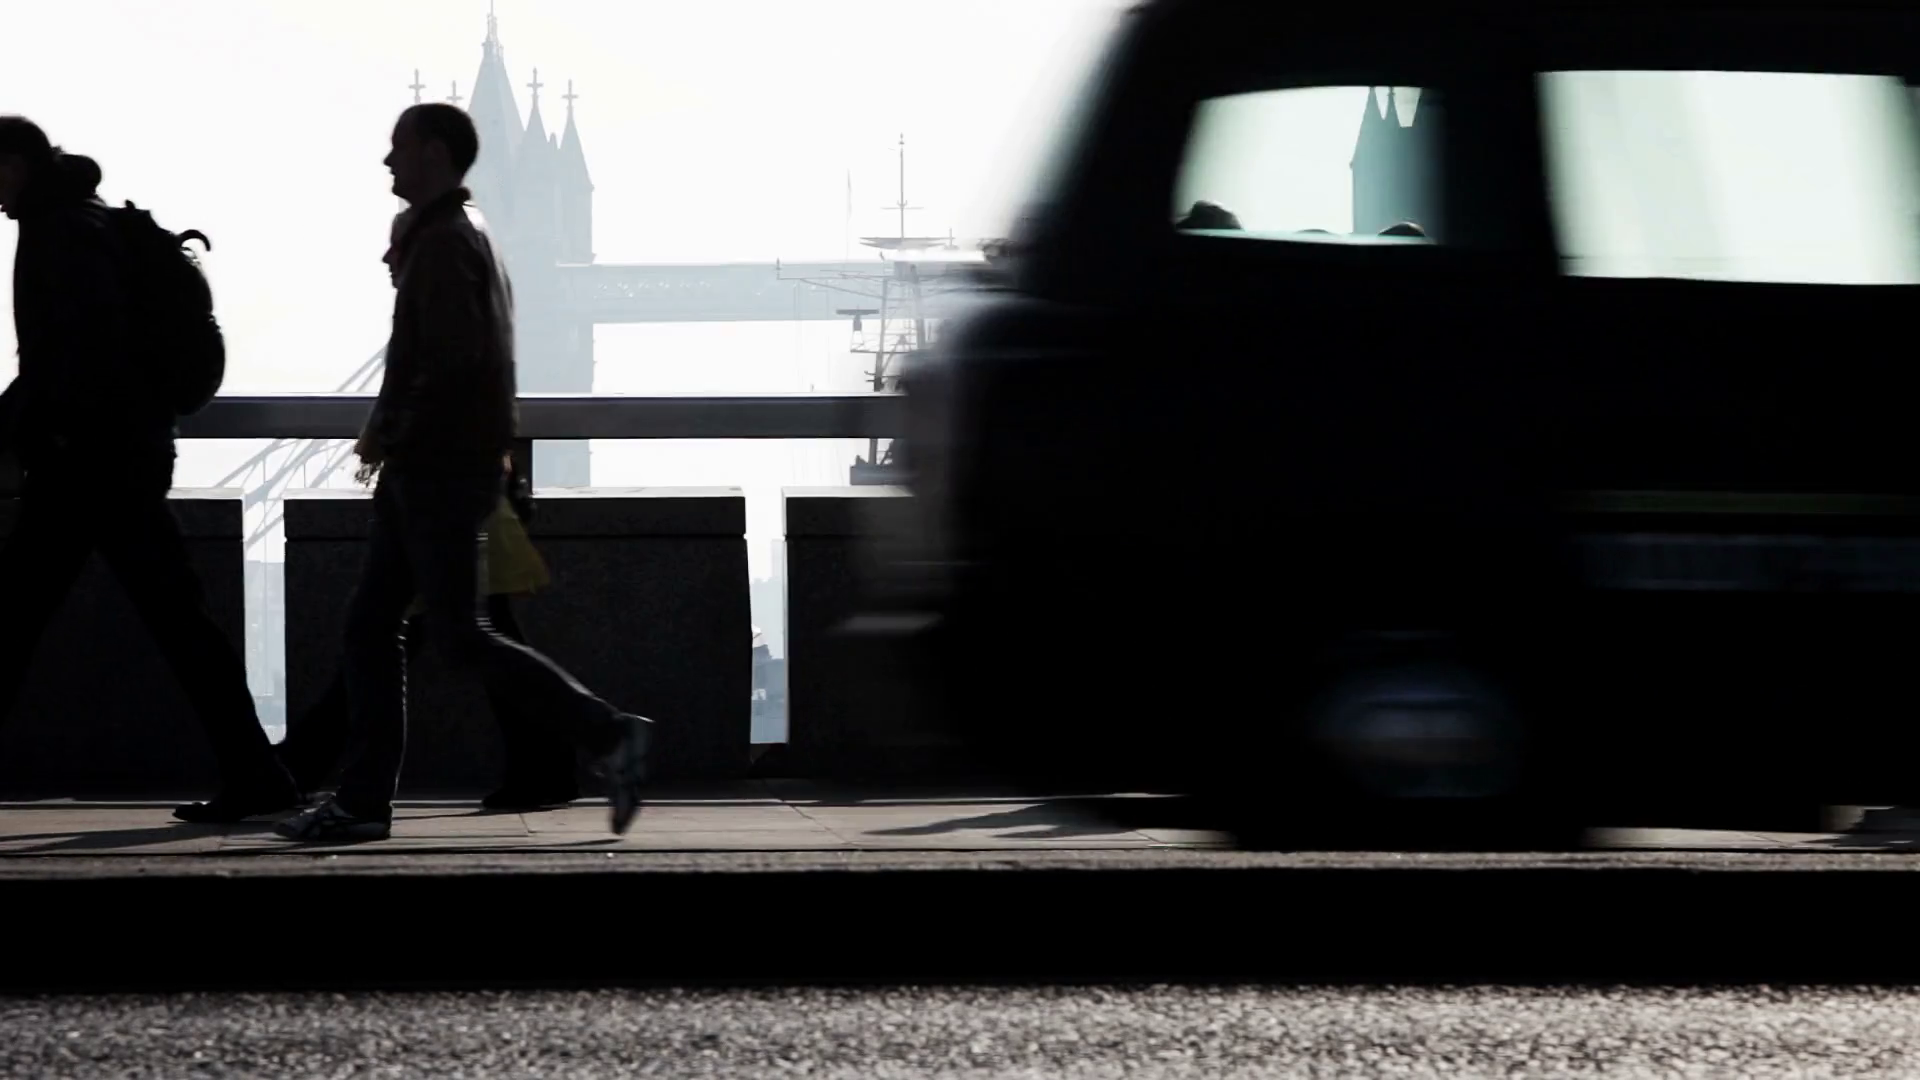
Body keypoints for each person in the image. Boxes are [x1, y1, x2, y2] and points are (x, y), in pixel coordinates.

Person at [275, 104, 652, 842]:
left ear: (435, 153)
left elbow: (449, 361)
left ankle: (608, 732)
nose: (387, 161)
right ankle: (362, 801)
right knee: (379, 630)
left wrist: (394, 431)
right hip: (435, 467)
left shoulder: (447, 243)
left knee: (452, 635)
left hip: (436, 472)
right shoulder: (458, 234)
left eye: (399, 147)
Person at [0, 117, 301, 822]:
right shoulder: (87, 218)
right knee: (177, 623)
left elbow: (67, 355)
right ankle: (258, 774)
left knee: (14, 619)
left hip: (86, 463)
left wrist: (21, 426)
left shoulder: (57, 231)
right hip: (123, 454)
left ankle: (259, 775)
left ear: (14, 164)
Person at [273, 210, 577, 810]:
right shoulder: (460, 276)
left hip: (441, 494)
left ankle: (302, 769)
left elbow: (442, 383)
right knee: (433, 636)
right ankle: (559, 758)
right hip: (453, 490)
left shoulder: (443, 278)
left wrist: (401, 446)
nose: (387, 258)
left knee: (394, 637)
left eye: (396, 246)